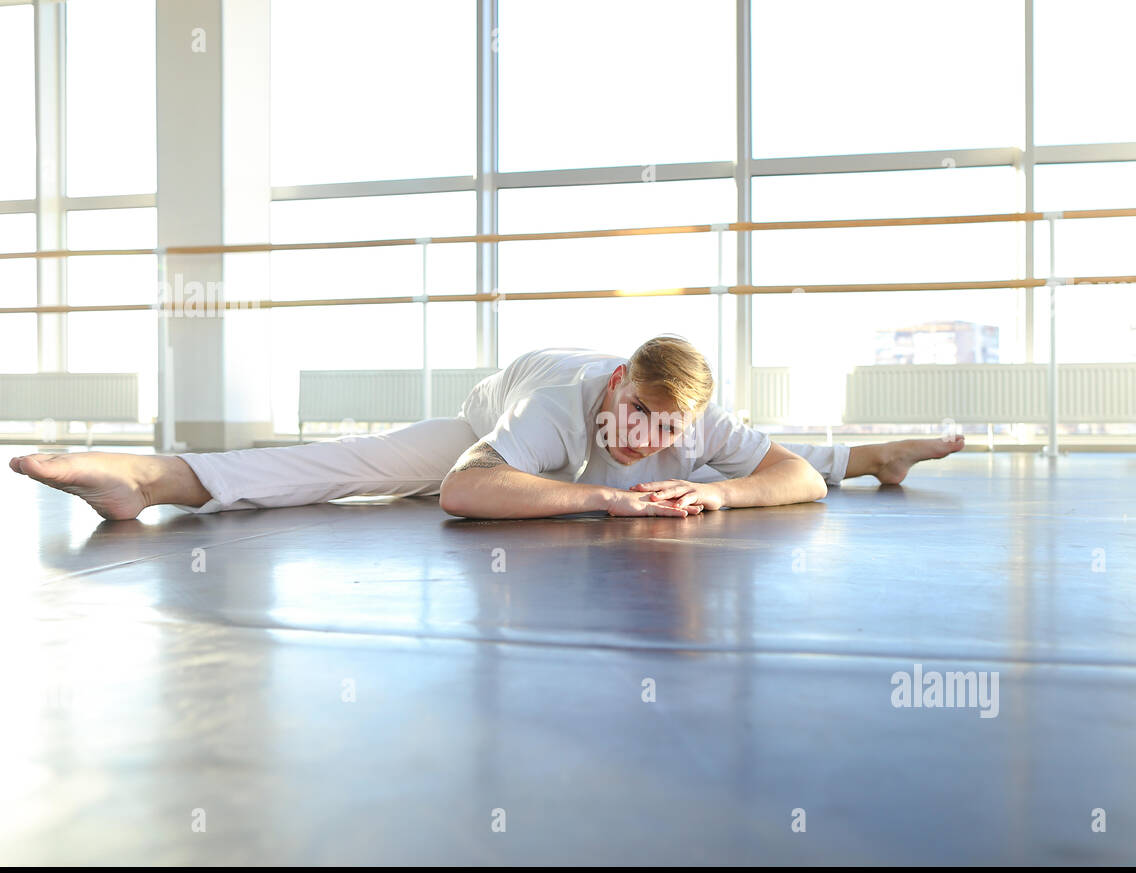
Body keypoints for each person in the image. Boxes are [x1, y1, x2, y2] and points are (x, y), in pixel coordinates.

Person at [8, 334, 964, 521]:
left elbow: (790, 476)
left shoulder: (689, 418)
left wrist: (719, 488)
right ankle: (146, 477)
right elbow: (463, 493)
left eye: (665, 428)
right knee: (359, 466)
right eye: (635, 416)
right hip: (487, 412)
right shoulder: (555, 407)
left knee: (793, 461)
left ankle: (876, 455)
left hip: (598, 439)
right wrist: (606, 498)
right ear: (619, 383)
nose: (642, 440)